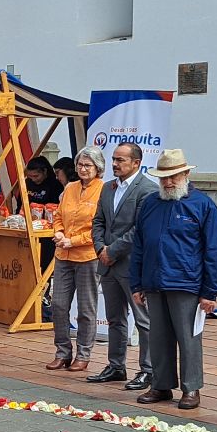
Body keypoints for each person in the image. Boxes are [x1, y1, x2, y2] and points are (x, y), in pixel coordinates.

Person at [130, 149, 217, 410]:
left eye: (174, 176)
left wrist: (210, 292)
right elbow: (139, 245)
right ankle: (161, 384)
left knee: (188, 337)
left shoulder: (202, 205)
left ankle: (191, 387)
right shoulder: (150, 203)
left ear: (186, 174)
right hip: (154, 281)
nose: (169, 182)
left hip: (187, 282)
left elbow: (214, 250)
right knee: (158, 337)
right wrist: (136, 283)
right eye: (164, 177)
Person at [88, 142, 157, 386]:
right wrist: (100, 249)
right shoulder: (108, 188)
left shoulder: (147, 189)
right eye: (114, 159)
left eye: (121, 160)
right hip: (107, 263)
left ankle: (148, 369)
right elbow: (98, 221)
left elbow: (140, 228)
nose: (115, 164)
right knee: (115, 318)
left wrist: (113, 250)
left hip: (131, 264)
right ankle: (116, 366)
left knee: (143, 320)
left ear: (136, 163)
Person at [47, 147, 106, 373]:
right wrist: (59, 232)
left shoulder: (103, 190)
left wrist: (73, 241)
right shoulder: (70, 188)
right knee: (58, 305)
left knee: (86, 308)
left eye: (88, 165)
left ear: (98, 168)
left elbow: (100, 228)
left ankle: (83, 354)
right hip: (63, 254)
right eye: (80, 165)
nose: (83, 169)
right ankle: (62, 352)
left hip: (87, 256)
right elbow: (58, 215)